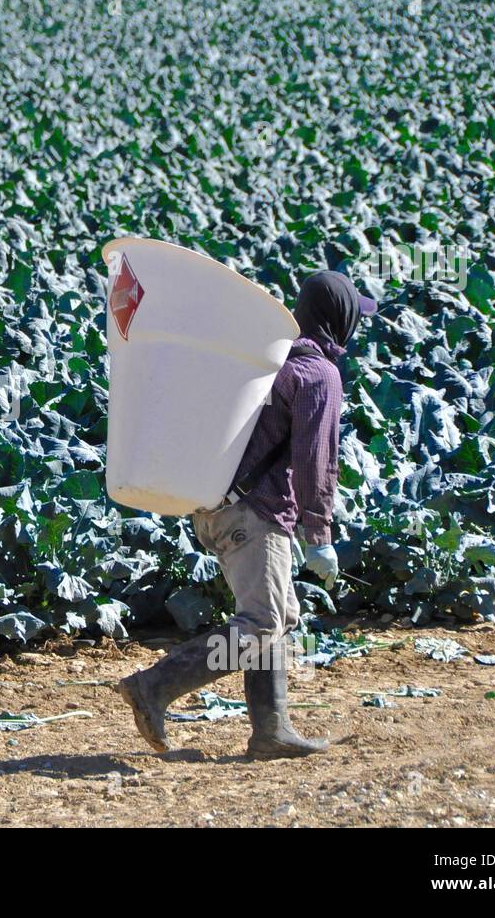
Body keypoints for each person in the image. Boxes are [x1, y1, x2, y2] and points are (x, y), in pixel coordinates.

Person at [117, 270, 377, 760]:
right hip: (257, 514)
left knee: (279, 618)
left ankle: (271, 729)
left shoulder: (269, 359)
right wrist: (319, 533)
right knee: (261, 623)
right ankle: (155, 685)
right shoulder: (319, 374)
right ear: (338, 319)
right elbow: (316, 460)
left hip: (218, 507)